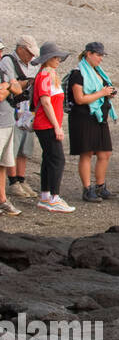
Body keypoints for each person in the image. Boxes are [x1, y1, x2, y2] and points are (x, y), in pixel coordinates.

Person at [67, 41, 117, 202]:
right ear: (89, 54)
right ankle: (87, 189)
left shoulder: (97, 72)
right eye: (98, 55)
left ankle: (100, 186)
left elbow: (99, 92)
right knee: (87, 152)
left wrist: (108, 93)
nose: (101, 58)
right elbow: (79, 99)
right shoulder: (78, 73)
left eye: (102, 55)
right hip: (83, 117)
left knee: (105, 152)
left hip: (99, 116)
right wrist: (102, 93)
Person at [31, 41, 74, 212]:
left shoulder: (48, 75)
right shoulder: (44, 76)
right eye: (55, 57)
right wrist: (57, 126)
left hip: (46, 123)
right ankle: (54, 197)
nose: (58, 60)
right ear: (47, 59)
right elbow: (46, 102)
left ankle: (45, 196)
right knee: (57, 159)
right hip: (46, 124)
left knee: (49, 158)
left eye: (58, 57)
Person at [3, 36, 41, 200]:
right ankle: (13, 183)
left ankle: (21, 179)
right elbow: (13, 86)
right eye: (29, 53)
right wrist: (27, 83)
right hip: (13, 110)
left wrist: (24, 84)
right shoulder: (8, 61)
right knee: (13, 146)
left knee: (25, 147)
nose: (32, 57)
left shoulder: (33, 63)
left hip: (28, 110)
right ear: (20, 49)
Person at [0, 39, 22, 216]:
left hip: (7, 122)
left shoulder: (2, 70)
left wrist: (7, 86)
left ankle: (2, 200)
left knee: (3, 165)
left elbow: (19, 90)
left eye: (1, 51)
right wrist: (9, 86)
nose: (0, 55)